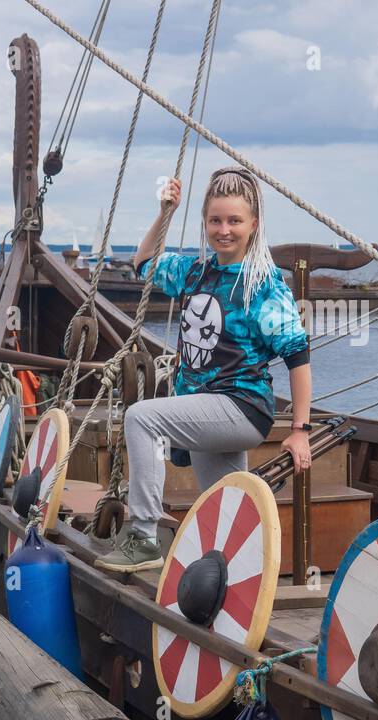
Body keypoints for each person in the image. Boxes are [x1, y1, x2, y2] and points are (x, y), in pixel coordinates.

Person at [96, 167, 313, 572]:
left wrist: (300, 432)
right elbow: (142, 262)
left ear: (254, 224)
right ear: (205, 223)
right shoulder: (195, 272)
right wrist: (165, 212)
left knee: (142, 419)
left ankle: (142, 535)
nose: (224, 230)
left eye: (234, 221)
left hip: (242, 407)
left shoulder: (263, 286)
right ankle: (238, 576)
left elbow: (298, 358)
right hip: (204, 408)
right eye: (215, 220)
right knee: (222, 507)